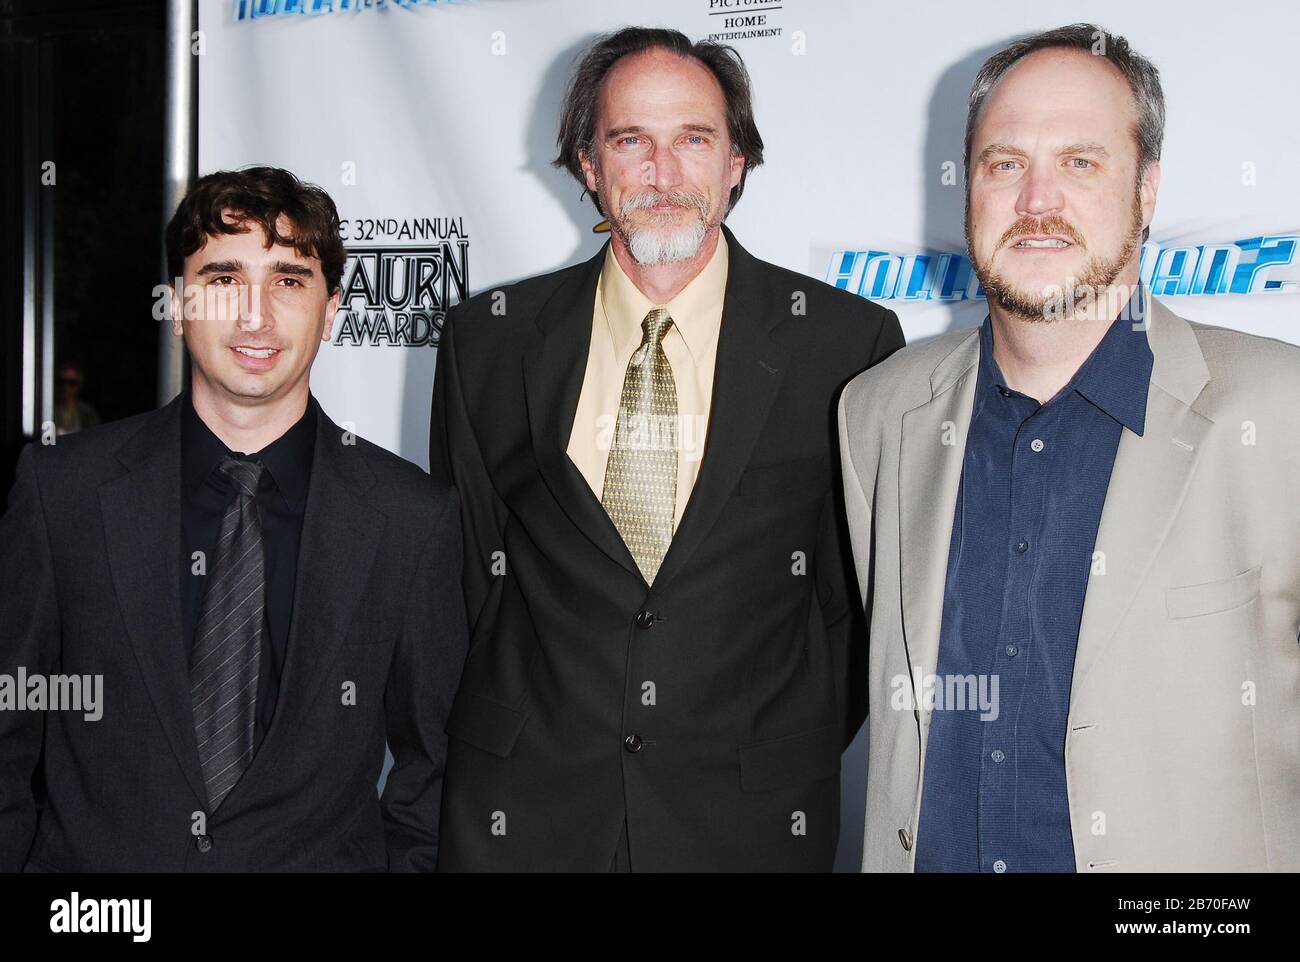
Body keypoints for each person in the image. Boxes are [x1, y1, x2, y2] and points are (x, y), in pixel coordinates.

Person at [430, 27, 903, 872]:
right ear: (587, 165)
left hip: (750, 820)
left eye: (693, 138)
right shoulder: (487, 344)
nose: (662, 171)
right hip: (524, 815)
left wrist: (774, 744)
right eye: (629, 140)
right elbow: (470, 580)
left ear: (736, 162)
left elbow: (859, 605)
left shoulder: (845, 345)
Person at [838, 23, 1300, 872]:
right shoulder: (877, 414)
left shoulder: (1280, 411)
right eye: (1005, 163)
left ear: (1147, 189)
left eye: (1081, 163)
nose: (1036, 200)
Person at [0, 166, 469, 872]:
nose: (256, 315)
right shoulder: (62, 490)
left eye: (288, 280)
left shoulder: (411, 519)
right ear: (177, 303)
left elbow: (434, 771)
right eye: (223, 280)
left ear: (332, 308)